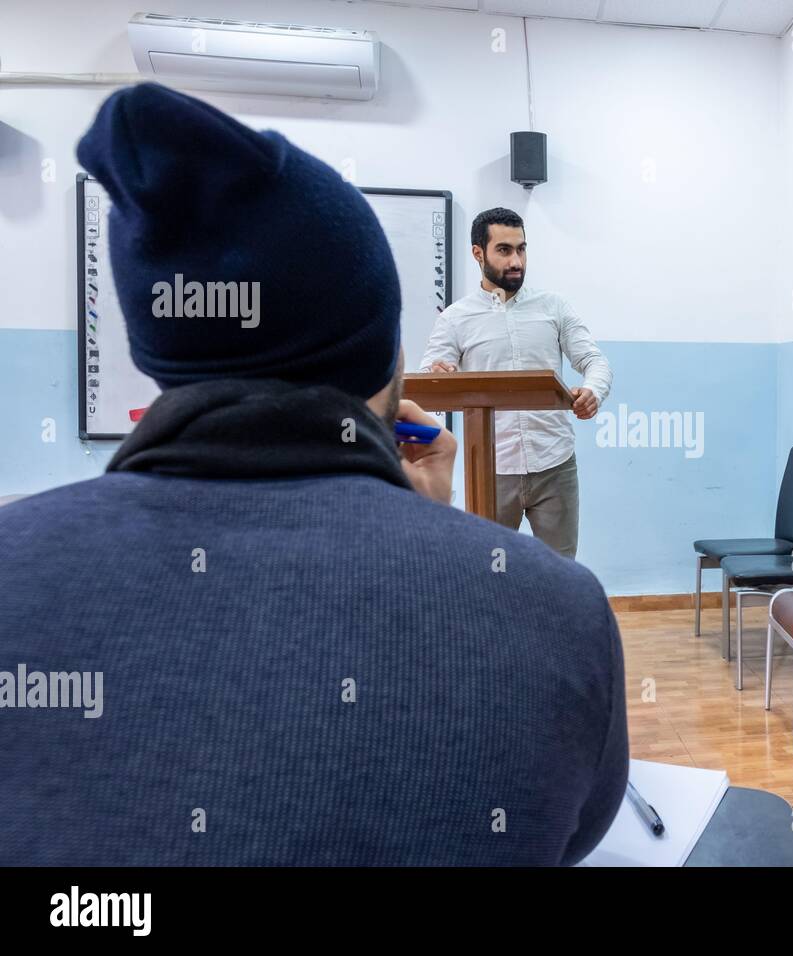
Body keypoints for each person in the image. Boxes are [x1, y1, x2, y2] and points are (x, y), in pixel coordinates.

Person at [0, 84, 627, 866]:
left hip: (549, 460)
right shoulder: (561, 611)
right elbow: (574, 835)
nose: (515, 259)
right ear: (388, 355)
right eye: (503, 247)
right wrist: (427, 532)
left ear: (154, 348)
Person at [420, 208, 611, 559]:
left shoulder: (553, 307)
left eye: (521, 249)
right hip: (491, 472)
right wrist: (440, 379)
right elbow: (428, 390)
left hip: (555, 464)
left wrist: (593, 390)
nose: (517, 261)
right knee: (487, 579)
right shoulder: (454, 319)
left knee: (560, 578)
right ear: (479, 253)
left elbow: (594, 362)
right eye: (504, 250)